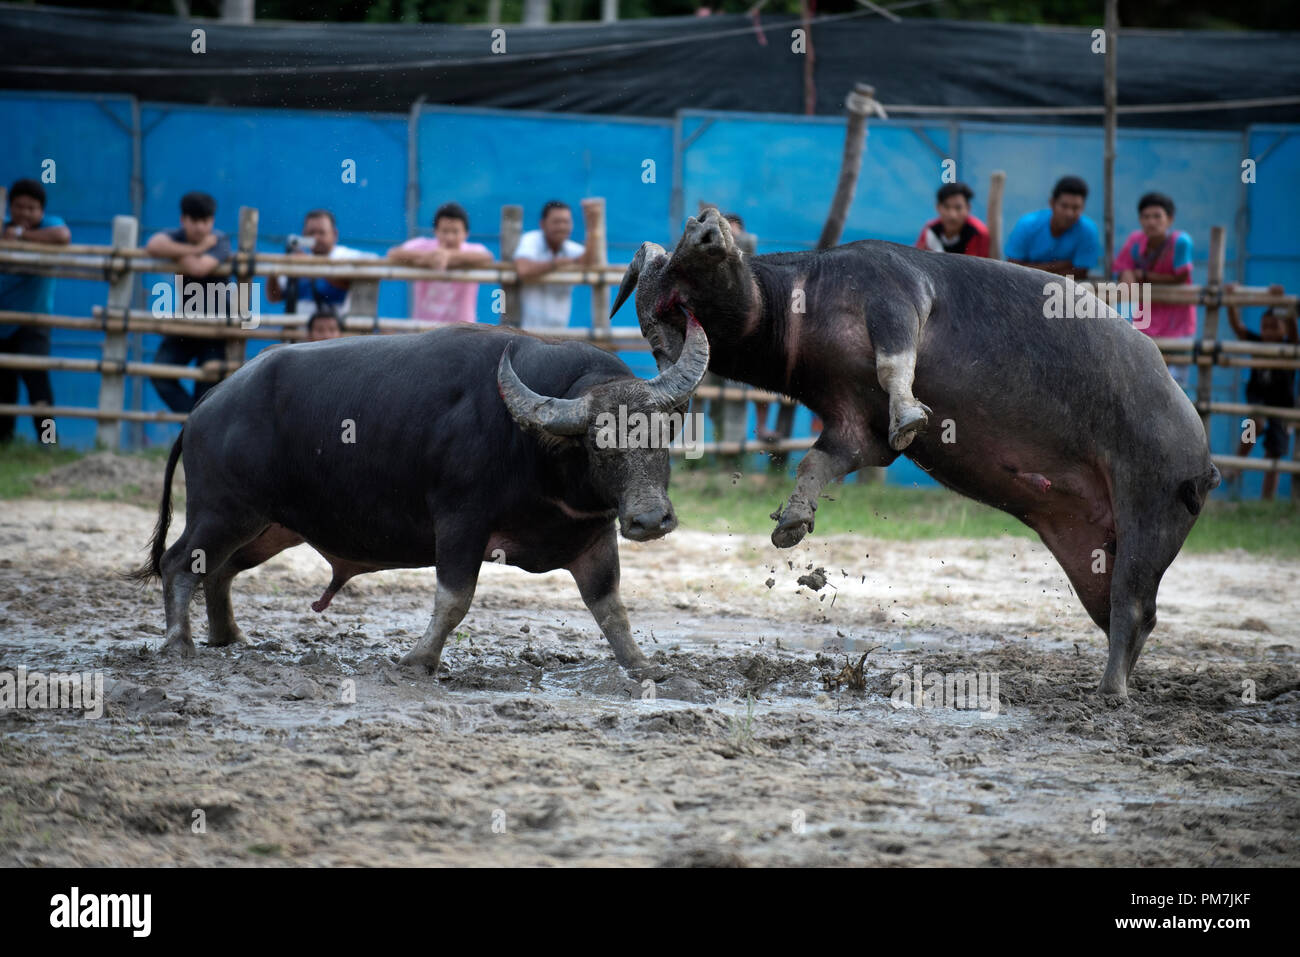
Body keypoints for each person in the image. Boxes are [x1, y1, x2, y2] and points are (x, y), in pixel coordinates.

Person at [143, 191, 235, 413]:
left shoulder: (220, 240)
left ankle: (197, 428)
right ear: (183, 219)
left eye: (205, 221)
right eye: (194, 221)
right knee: (160, 374)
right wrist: (196, 249)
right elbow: (153, 245)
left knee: (207, 391)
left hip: (216, 325)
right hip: (186, 321)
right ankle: (194, 424)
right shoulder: (185, 238)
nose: (200, 228)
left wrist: (176, 254)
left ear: (212, 221)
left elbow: (199, 268)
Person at [0, 178, 70, 442]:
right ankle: (5, 443)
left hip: (34, 321)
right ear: (10, 207)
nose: (25, 213)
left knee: (37, 383)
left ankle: (48, 441)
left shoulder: (50, 226)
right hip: (3, 321)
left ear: (41, 210)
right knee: (4, 386)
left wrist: (20, 236)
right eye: (19, 207)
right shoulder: (2, 228)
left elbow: (63, 236)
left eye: (32, 208)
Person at [1112, 192, 1196, 387]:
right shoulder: (1135, 241)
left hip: (1178, 323)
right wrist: (1129, 276)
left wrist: (1142, 276)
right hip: (1146, 320)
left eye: (1157, 216)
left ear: (1170, 219)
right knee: (1143, 381)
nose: (1151, 222)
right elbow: (1122, 270)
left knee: (1174, 386)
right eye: (1146, 217)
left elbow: (1181, 276)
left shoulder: (1181, 242)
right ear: (1140, 219)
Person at [1225, 283, 1298, 500]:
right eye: (1264, 327)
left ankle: (1266, 501)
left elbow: (1294, 328)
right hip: (1258, 398)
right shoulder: (1257, 342)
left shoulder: (1290, 346)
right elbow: (1238, 328)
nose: (1268, 332)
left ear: (1283, 329)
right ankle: (1238, 464)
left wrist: (1279, 303)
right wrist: (1232, 302)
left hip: (1282, 406)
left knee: (1273, 455)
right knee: (1254, 423)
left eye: (1274, 327)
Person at [387, 202, 493, 326]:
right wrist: (427, 257)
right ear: (435, 231)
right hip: (425, 330)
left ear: (466, 233)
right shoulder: (423, 245)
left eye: (455, 232)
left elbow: (487, 257)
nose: (449, 237)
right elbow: (393, 253)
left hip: (462, 331)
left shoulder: (473, 250)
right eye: (445, 231)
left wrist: (448, 256)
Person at [267, 209, 368, 317]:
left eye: (321, 232)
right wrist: (274, 270)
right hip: (300, 331)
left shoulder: (348, 256)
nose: (316, 237)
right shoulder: (299, 258)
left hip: (338, 332)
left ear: (334, 234)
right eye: (311, 233)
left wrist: (312, 267)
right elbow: (274, 297)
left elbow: (358, 281)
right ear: (304, 234)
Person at [1004, 175, 1101, 279]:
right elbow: (1013, 268)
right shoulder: (1027, 225)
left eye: (1075, 208)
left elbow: (1081, 272)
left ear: (1083, 208)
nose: (1069, 213)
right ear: (1052, 203)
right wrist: (1065, 264)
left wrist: (1033, 267)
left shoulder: (1088, 231)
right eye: (1064, 206)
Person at [513, 200, 587, 330]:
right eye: (557, 222)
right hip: (525, 334)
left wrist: (593, 225)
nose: (562, 227)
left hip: (558, 333)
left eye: (566, 222)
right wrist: (557, 264)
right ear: (542, 224)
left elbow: (590, 261)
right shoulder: (531, 240)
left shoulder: (570, 248)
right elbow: (523, 269)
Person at [915, 182, 990, 257]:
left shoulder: (978, 233)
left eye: (958, 208)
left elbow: (980, 265)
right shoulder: (930, 231)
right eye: (946, 207)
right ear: (937, 207)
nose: (952, 215)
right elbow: (917, 259)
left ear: (968, 208)